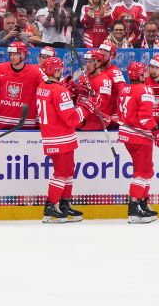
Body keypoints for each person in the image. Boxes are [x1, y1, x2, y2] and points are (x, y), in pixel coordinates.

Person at [36, 55, 93, 223]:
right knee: (61, 173)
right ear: (55, 70)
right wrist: (86, 108)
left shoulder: (43, 86)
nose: (62, 71)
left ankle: (64, 204)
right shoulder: (60, 91)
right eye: (60, 68)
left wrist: (64, 89)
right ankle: (51, 206)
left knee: (68, 172)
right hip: (60, 137)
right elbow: (72, 118)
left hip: (57, 136)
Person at [117, 61, 159, 223]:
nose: (146, 74)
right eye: (144, 72)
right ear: (140, 75)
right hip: (139, 137)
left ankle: (142, 203)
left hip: (126, 135)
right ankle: (134, 208)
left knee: (146, 169)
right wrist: (157, 131)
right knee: (142, 172)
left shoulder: (124, 89)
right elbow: (145, 118)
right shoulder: (145, 89)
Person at [0, 41, 41, 129]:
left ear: (23, 55)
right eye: (10, 54)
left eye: (15, 54)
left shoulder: (36, 72)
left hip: (25, 127)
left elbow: (47, 90)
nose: (12, 57)